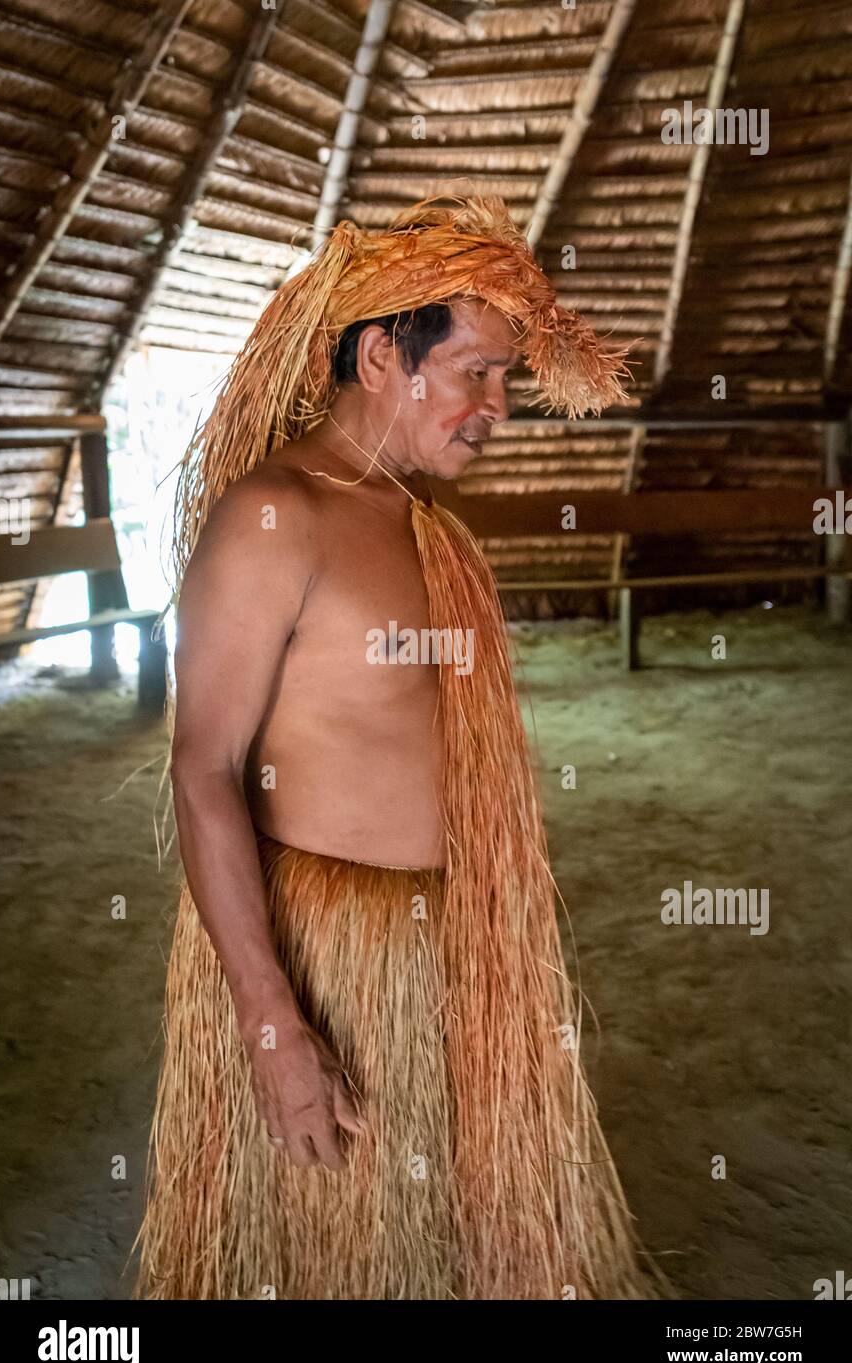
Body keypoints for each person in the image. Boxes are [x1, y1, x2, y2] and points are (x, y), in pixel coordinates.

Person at [131, 194, 671, 1300]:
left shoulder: (422, 524)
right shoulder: (273, 518)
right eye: (477, 371)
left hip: (449, 955)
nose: (497, 408)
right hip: (337, 959)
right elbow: (202, 773)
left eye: (507, 379)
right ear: (383, 355)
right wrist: (275, 1026)